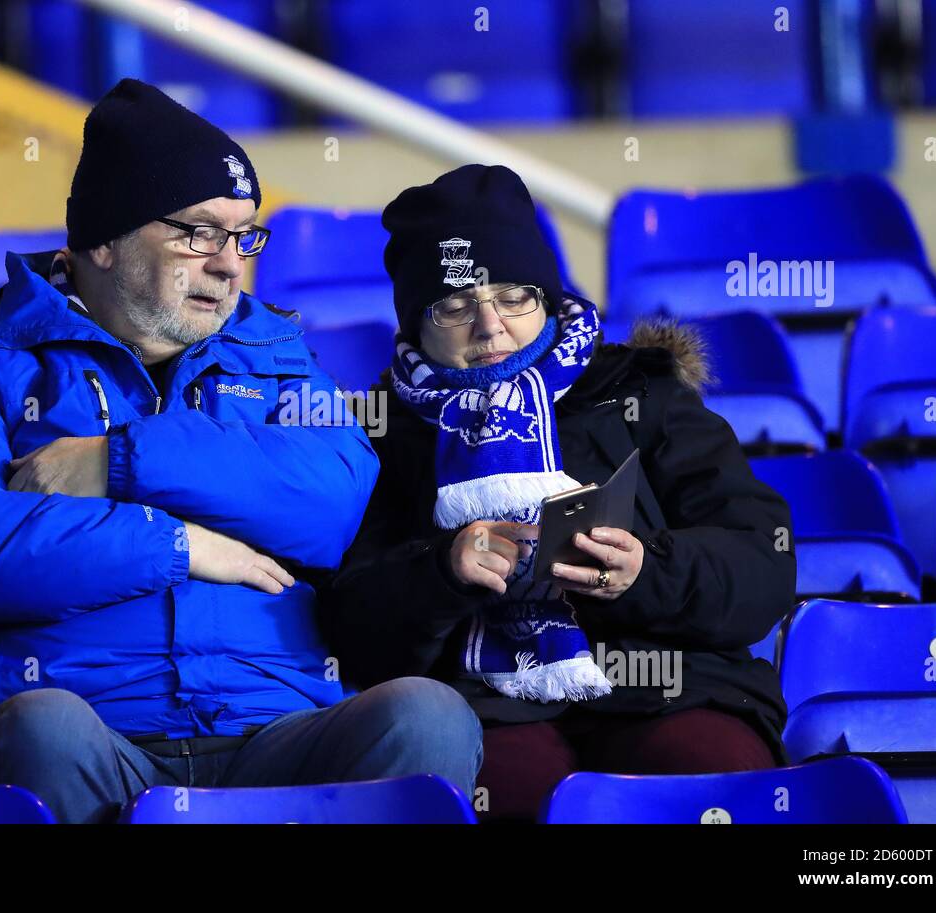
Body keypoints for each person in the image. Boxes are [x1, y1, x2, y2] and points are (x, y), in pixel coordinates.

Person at [0, 80, 482, 823]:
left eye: (243, 235)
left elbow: (333, 498)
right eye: (198, 233)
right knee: (43, 728)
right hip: (96, 735)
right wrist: (174, 544)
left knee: (427, 716)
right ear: (103, 239)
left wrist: (122, 461)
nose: (230, 264)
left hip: (278, 730)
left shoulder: (276, 355)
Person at [324, 164, 794, 821]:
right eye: (456, 305)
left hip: (667, 685)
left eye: (514, 296)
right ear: (415, 324)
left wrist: (644, 569)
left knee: (713, 774)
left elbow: (761, 562)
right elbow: (348, 625)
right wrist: (442, 572)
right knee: (506, 793)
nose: (489, 326)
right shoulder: (381, 430)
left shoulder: (639, 393)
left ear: (545, 296)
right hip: (480, 700)